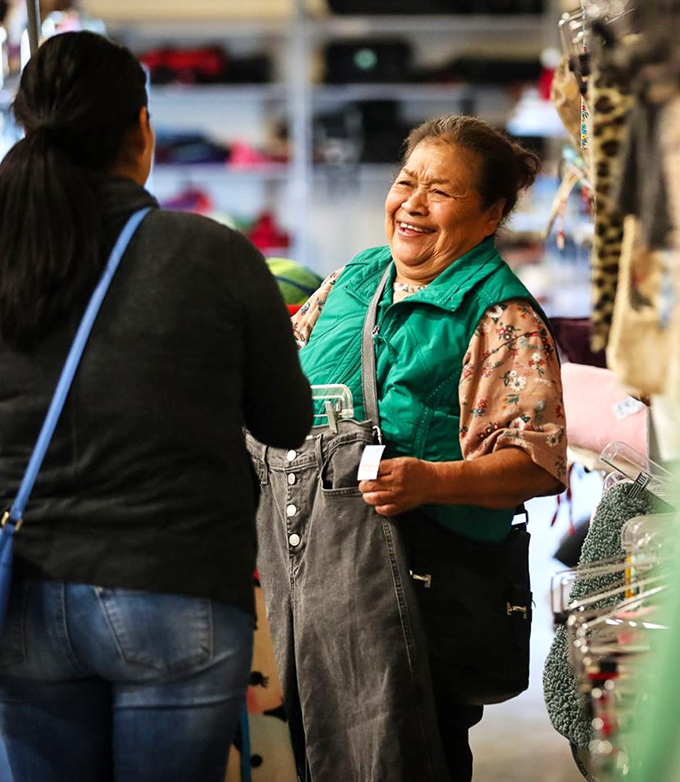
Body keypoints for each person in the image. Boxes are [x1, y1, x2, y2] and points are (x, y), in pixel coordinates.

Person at [0, 31, 312, 782]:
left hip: (20, 593)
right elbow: (286, 421)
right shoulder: (212, 254)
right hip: (176, 589)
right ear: (141, 130)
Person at [251, 114, 567, 782]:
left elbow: (537, 464)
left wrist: (430, 482)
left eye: (441, 192)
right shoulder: (353, 282)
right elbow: (280, 381)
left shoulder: (500, 317)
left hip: (423, 595)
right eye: (406, 182)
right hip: (314, 587)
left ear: (490, 216)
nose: (412, 204)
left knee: (412, 756)